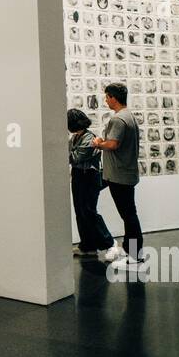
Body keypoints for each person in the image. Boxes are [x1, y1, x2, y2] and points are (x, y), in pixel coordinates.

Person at [90, 82, 144, 270]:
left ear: (113, 97)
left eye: (107, 97)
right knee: (129, 214)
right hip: (126, 172)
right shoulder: (129, 116)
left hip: (119, 175)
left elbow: (113, 144)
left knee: (128, 215)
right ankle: (132, 253)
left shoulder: (118, 119)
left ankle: (135, 256)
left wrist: (98, 143)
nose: (105, 100)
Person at [67, 109, 123, 262]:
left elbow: (75, 157)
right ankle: (88, 246)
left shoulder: (88, 138)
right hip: (78, 176)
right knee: (80, 211)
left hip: (89, 177)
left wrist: (67, 153)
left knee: (89, 211)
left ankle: (110, 243)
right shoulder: (75, 138)